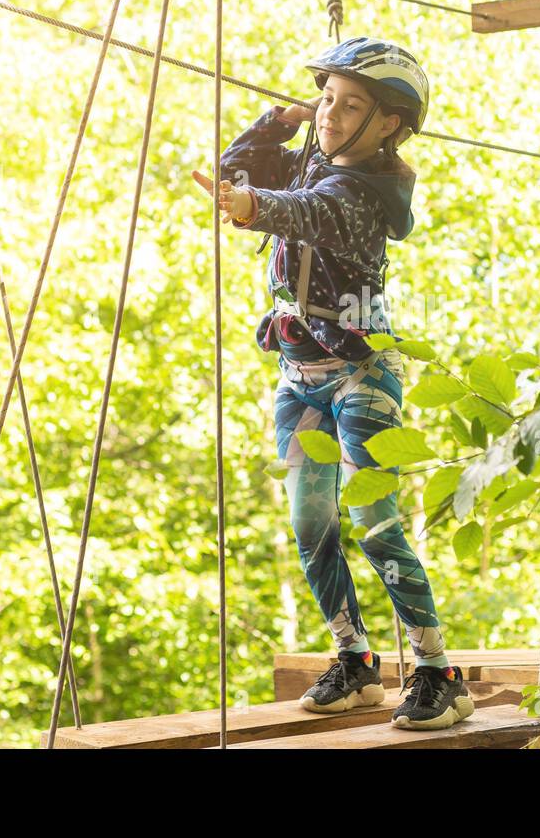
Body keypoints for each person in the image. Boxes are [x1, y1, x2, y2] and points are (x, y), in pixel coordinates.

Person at [191, 37, 473, 731]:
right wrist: (274, 125)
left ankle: (439, 671)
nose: (330, 114)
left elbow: (300, 210)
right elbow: (237, 174)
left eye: (351, 106)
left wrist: (252, 204)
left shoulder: (363, 196)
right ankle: (356, 660)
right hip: (300, 376)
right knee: (310, 524)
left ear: (389, 126)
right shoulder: (315, 156)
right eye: (327, 98)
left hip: (361, 375)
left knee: (375, 524)